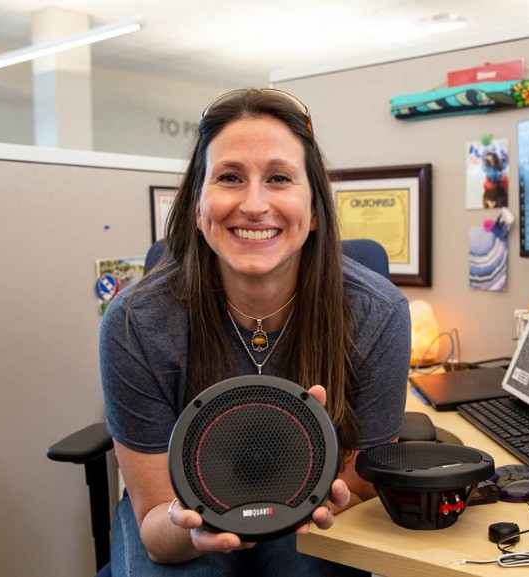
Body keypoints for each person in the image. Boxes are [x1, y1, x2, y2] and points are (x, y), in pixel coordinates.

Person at [100, 88, 411, 576]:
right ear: (197, 208)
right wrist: (191, 527)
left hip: (307, 513)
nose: (254, 204)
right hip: (185, 511)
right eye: (229, 178)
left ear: (313, 212)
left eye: (280, 179)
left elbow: (362, 482)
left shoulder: (376, 312)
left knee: (306, 563)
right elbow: (157, 528)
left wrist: (325, 487)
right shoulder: (136, 322)